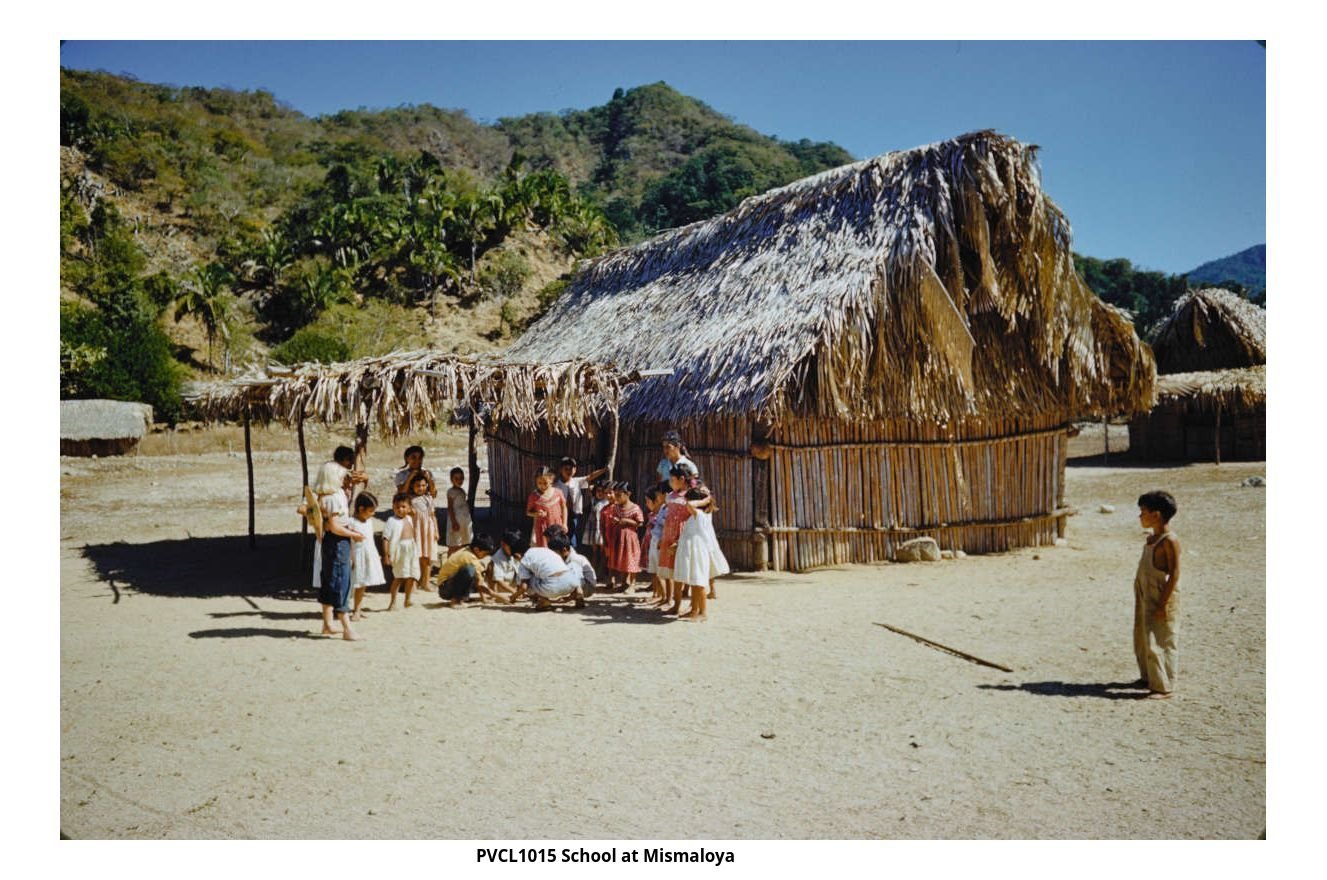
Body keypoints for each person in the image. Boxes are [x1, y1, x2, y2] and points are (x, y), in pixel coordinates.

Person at [1134, 490, 1182, 699]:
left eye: (1143, 511)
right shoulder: (1151, 539)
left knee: (1160, 640)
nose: (1140, 516)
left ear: (1156, 515)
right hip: (1145, 595)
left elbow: (1174, 574)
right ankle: (1149, 677)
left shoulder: (1169, 541)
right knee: (1143, 637)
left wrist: (1163, 604)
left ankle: (1164, 686)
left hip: (1161, 597)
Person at [313, 460, 366, 640]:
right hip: (337, 542)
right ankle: (347, 628)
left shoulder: (323, 496)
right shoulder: (334, 497)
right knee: (340, 582)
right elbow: (335, 526)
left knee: (329, 581)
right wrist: (353, 534)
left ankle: (328, 623)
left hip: (330, 542)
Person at [673, 484, 730, 621]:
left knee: (699, 582)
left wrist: (705, 500)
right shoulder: (697, 516)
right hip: (692, 550)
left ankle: (702, 612)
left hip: (697, 551)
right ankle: (694, 610)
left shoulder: (701, 514)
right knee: (694, 581)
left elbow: (690, 505)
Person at [656, 467, 694, 615]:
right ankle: (675, 604)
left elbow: (691, 519)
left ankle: (688, 604)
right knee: (672, 571)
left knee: (682, 570)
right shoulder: (670, 496)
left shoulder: (690, 496)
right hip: (668, 535)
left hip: (682, 535)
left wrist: (680, 539)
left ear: (682, 479)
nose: (670, 483)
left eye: (673, 480)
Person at [516, 534, 586, 610]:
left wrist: (513, 597)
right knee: (571, 569)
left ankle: (544, 601)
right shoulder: (545, 551)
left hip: (554, 588)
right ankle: (579, 594)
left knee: (527, 578)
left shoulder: (524, 560)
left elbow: (524, 586)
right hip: (571, 585)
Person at [347, 492, 385, 621]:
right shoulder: (351, 523)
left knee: (362, 584)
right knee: (353, 584)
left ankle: (357, 608)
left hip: (368, 555)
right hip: (356, 556)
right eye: (370, 511)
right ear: (361, 509)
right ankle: (345, 608)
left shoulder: (368, 522)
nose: (372, 514)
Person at [554, 457, 607, 549]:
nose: (569, 471)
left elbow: (590, 476)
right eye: (566, 469)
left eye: (572, 469)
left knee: (573, 532)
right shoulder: (556, 485)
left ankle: (572, 551)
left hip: (574, 513)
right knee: (561, 533)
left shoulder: (576, 481)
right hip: (560, 514)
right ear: (560, 470)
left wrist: (604, 470)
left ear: (575, 470)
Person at [436, 533, 497, 606]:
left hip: (449, 584)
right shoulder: (468, 556)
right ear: (476, 550)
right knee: (469, 570)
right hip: (445, 589)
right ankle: (456, 600)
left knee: (479, 570)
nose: (485, 556)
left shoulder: (469, 550)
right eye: (485, 554)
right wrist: (497, 595)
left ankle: (461, 598)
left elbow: (479, 578)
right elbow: (480, 583)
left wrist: (483, 598)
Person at [382, 492, 420, 610]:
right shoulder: (391, 521)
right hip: (399, 551)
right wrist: (386, 555)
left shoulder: (409, 518)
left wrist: (412, 512)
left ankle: (407, 599)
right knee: (399, 576)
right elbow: (385, 538)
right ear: (393, 507)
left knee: (411, 576)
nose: (400, 509)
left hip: (411, 549)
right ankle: (393, 602)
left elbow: (415, 515)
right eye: (397, 507)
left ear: (409, 508)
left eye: (403, 507)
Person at [608, 483, 644, 592]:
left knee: (631, 559)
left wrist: (627, 521)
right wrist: (614, 520)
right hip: (619, 538)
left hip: (630, 539)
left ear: (628, 494)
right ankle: (624, 583)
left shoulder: (635, 508)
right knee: (623, 560)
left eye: (619, 495)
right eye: (616, 495)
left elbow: (640, 523)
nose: (617, 498)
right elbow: (612, 518)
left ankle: (632, 583)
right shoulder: (616, 507)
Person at [526, 465, 568, 549]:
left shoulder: (558, 492)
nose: (542, 486)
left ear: (551, 480)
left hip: (557, 526)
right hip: (542, 529)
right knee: (544, 550)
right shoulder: (533, 496)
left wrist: (564, 523)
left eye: (545, 483)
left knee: (557, 549)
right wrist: (536, 513)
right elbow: (528, 512)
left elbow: (564, 508)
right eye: (539, 483)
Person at [409, 472, 440, 584]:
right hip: (416, 530)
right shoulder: (409, 499)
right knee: (416, 556)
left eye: (423, 485)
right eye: (418, 485)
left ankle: (425, 582)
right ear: (412, 486)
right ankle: (415, 582)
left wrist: (436, 531)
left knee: (427, 556)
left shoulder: (429, 498)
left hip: (428, 530)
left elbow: (433, 516)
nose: (421, 488)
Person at [486, 529, 527, 603]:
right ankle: (496, 596)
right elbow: (499, 580)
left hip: (513, 586)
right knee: (490, 566)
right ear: (503, 544)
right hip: (502, 588)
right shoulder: (497, 557)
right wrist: (514, 592)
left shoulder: (515, 553)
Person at [642, 485, 667, 604]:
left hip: (658, 544)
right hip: (651, 545)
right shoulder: (653, 514)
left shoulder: (662, 513)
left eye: (648, 501)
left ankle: (663, 596)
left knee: (659, 573)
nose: (646, 504)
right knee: (654, 572)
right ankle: (656, 594)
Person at [582, 480, 611, 581]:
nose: (600, 493)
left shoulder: (606, 502)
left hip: (602, 529)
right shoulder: (594, 500)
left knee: (603, 552)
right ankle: (593, 573)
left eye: (602, 491)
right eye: (598, 491)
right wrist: (595, 487)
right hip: (593, 529)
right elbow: (589, 486)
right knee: (595, 552)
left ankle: (601, 573)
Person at [444, 467, 473, 556]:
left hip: (464, 520)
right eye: (456, 479)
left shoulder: (462, 490)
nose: (459, 481)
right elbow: (450, 508)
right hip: (456, 520)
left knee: (463, 543)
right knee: (454, 545)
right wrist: (454, 522)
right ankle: (450, 563)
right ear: (451, 480)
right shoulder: (450, 492)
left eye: (461, 478)